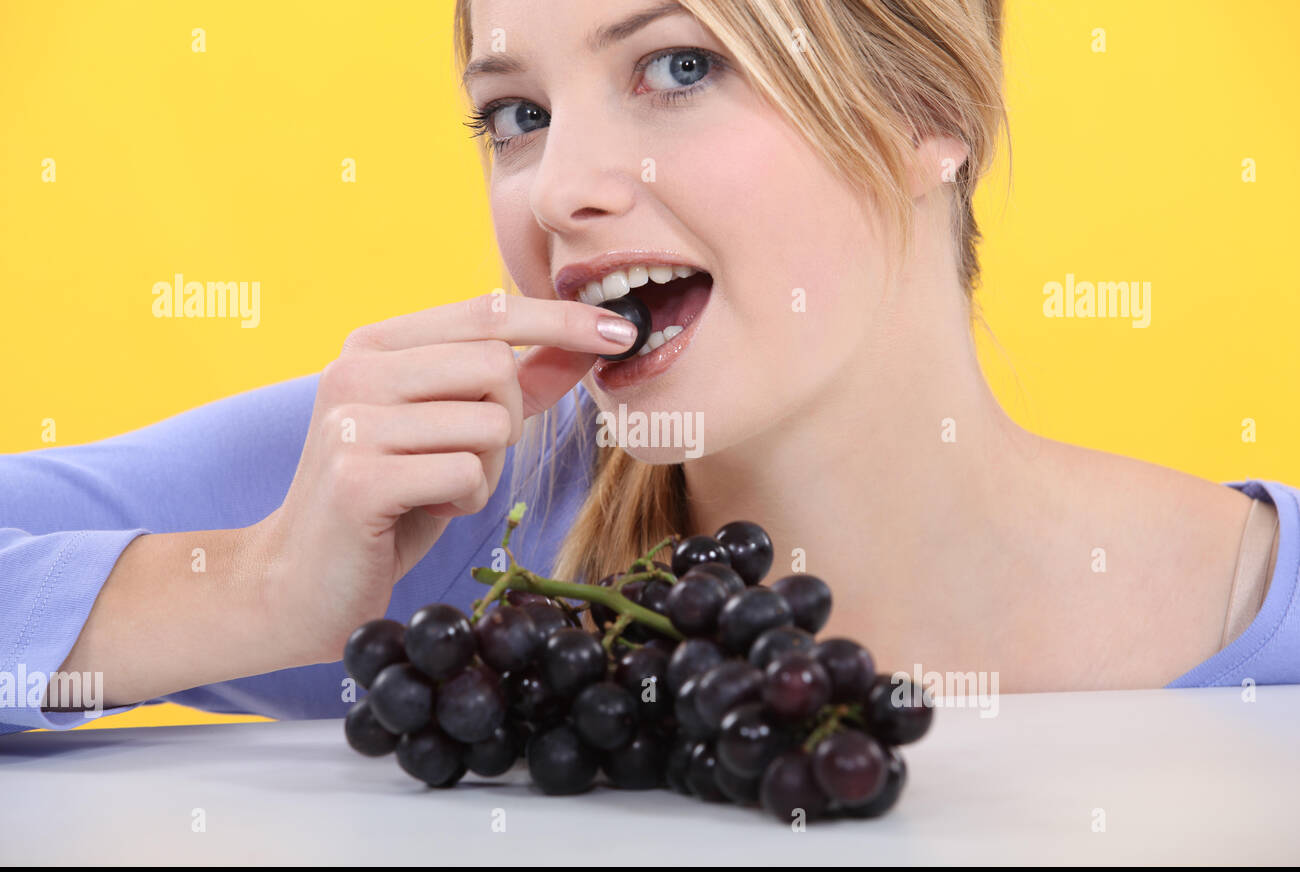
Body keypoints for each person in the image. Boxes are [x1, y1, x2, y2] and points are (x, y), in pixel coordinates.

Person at [3, 0, 1297, 736]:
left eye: (681, 66)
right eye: (518, 115)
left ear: (929, 118)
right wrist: (253, 588)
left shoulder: (1266, 617)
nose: (557, 191)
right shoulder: (442, 509)